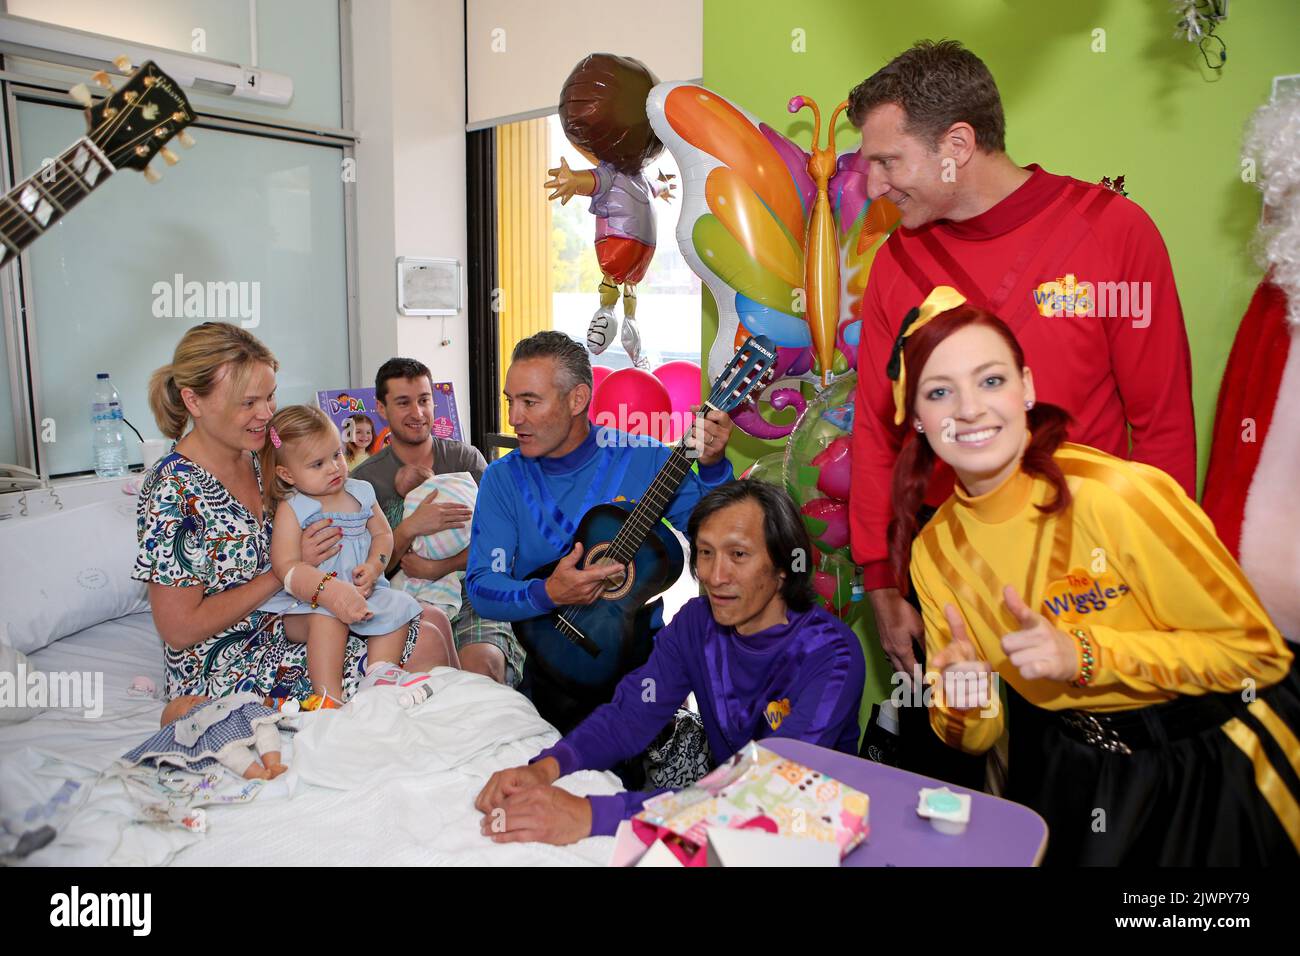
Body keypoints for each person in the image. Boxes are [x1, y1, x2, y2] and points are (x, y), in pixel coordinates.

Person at [845, 40, 1196, 783]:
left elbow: (1161, 422)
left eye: (888, 161)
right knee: (954, 798)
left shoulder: (1112, 231)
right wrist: (881, 579)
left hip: (1089, 580)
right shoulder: (893, 265)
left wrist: (1160, 579)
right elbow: (876, 433)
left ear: (957, 147)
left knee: (1085, 801)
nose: (873, 185)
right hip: (944, 589)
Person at [889, 288, 1299, 865]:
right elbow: (975, 737)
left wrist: (1084, 654)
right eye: (939, 392)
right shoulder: (934, 551)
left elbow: (1257, 656)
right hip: (1071, 772)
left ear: (1026, 387)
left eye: (990, 381)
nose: (970, 409)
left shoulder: (1119, 495)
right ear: (917, 419)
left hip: (1209, 767)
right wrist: (965, 700)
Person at [474, 480, 866, 845]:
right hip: (727, 823)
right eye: (706, 553)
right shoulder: (698, 622)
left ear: (783, 567)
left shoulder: (832, 654)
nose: (715, 576)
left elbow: (771, 789)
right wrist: (544, 769)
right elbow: (631, 715)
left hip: (812, 835)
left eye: (738, 555)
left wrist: (591, 814)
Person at [135, 323, 451, 704]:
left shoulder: (262, 461)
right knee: (424, 641)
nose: (266, 414)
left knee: (431, 617)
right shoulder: (173, 489)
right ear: (194, 401)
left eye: (270, 397)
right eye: (248, 403)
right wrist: (286, 571)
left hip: (296, 623)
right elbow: (180, 630)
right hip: (228, 663)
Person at [465, 331, 735, 733]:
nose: (513, 417)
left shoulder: (645, 458)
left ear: (577, 399)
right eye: (510, 400)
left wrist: (712, 466)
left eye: (529, 401)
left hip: (641, 664)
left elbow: (722, 538)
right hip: (553, 664)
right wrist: (548, 593)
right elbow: (483, 587)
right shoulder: (502, 479)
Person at [256, 405, 450, 702]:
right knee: (327, 618)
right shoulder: (293, 507)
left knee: (399, 605)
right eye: (317, 464)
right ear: (287, 474)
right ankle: (327, 696)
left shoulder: (360, 491)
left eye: (336, 455)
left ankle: (379, 671)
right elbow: (286, 566)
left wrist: (374, 566)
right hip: (306, 604)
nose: (334, 468)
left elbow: (383, 535)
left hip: (363, 591)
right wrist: (330, 593)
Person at [352, 358, 525, 687]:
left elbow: (502, 540)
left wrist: (441, 566)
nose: (417, 413)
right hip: (404, 601)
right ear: (381, 408)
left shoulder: (465, 460)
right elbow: (362, 572)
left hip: (473, 589)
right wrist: (410, 527)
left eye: (424, 400)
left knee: (484, 671)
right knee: (423, 687)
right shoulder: (365, 481)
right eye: (403, 402)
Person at [545, 53, 675, 368]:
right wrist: (573, 180)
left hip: (639, 251)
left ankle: (630, 323)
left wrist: (663, 187)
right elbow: (595, 181)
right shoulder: (612, 174)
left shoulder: (638, 177)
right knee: (615, 280)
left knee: (630, 286)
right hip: (617, 242)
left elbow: (650, 189)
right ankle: (605, 313)